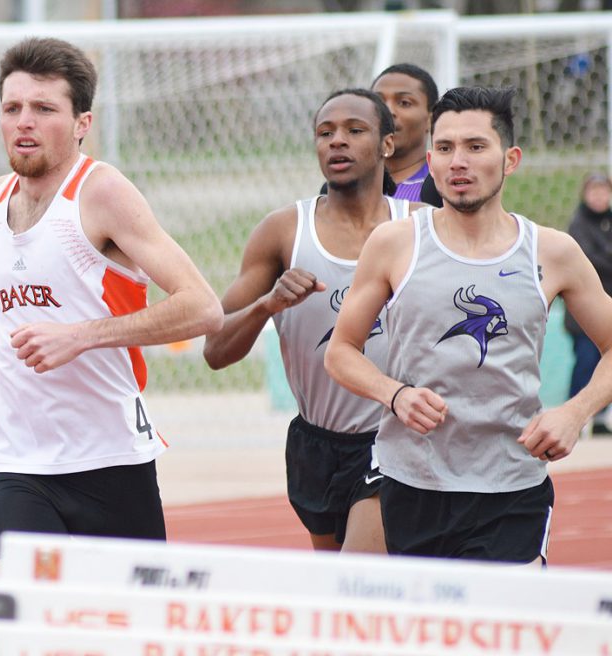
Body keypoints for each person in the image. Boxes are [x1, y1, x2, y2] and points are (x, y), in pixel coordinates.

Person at [0, 37, 223, 575]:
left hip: (109, 461)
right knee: (9, 601)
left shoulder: (102, 195)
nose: (24, 122)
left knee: (118, 627)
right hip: (17, 463)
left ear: (81, 123)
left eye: (44, 109)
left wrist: (81, 335)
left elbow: (202, 307)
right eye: (12, 108)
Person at [325, 86, 612, 565]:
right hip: (411, 480)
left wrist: (575, 413)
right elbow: (341, 351)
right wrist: (394, 394)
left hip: (512, 485)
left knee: (500, 633)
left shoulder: (552, 251)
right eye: (445, 148)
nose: (458, 161)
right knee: (420, 635)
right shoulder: (395, 244)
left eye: (476, 147)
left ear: (510, 158)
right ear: (431, 160)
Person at [203, 89, 424, 554]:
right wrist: (267, 305)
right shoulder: (283, 230)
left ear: (387, 144)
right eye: (326, 133)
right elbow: (215, 351)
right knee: (336, 586)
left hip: (394, 438)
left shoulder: (421, 228)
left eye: (354, 130)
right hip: (316, 443)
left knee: (356, 575)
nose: (336, 142)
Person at [564, 172, 612, 435]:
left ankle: (602, 418)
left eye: (603, 191)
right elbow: (588, 259)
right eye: (594, 191)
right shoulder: (579, 224)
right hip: (583, 312)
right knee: (585, 360)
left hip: (609, 307)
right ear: (585, 194)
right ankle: (575, 415)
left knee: (607, 363)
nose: (599, 196)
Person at [371, 63, 443, 206]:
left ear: (431, 119)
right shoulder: (348, 187)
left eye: (404, 103)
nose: (388, 111)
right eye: (378, 101)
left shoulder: (443, 189)